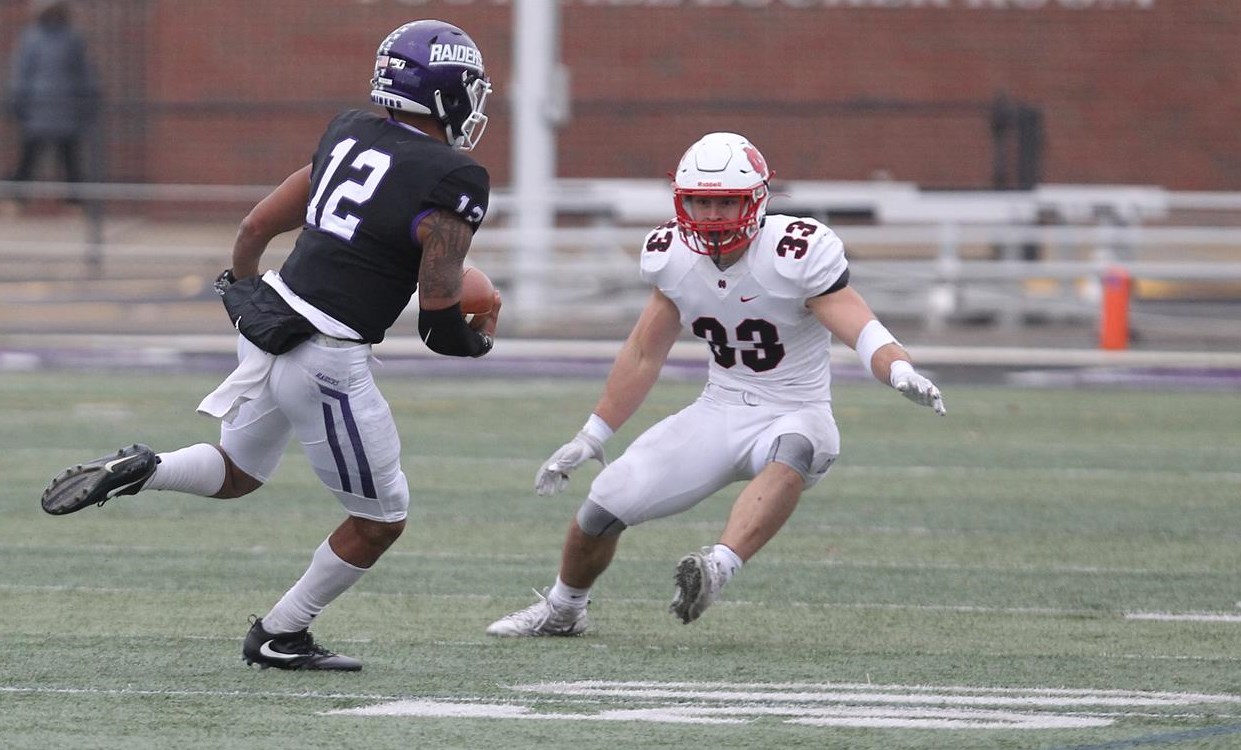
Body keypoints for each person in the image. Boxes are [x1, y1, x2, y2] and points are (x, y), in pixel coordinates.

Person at [39, 19, 500, 671]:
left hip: (270, 324)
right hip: (326, 357)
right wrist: (480, 333)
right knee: (381, 519)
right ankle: (282, 633)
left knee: (237, 474)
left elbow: (257, 224)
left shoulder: (349, 129)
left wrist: (244, 291)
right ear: (447, 89)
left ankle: (144, 467)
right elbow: (437, 325)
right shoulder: (454, 175)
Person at [487, 132, 945, 637]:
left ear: (756, 201)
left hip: (795, 409)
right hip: (719, 408)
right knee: (601, 508)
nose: (711, 215)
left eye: (725, 201)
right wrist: (592, 435)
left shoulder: (794, 251)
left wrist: (897, 367)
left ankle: (717, 568)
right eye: (700, 201)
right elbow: (643, 352)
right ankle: (562, 611)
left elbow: (861, 328)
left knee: (795, 446)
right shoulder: (673, 255)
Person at [6, 0, 100, 205]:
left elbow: (83, 71)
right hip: (39, 107)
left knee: (69, 157)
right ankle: (17, 199)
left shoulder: (73, 38)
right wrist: (17, 99)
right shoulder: (32, 38)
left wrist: (89, 98)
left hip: (63, 106)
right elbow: (22, 71)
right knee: (29, 156)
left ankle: (76, 202)